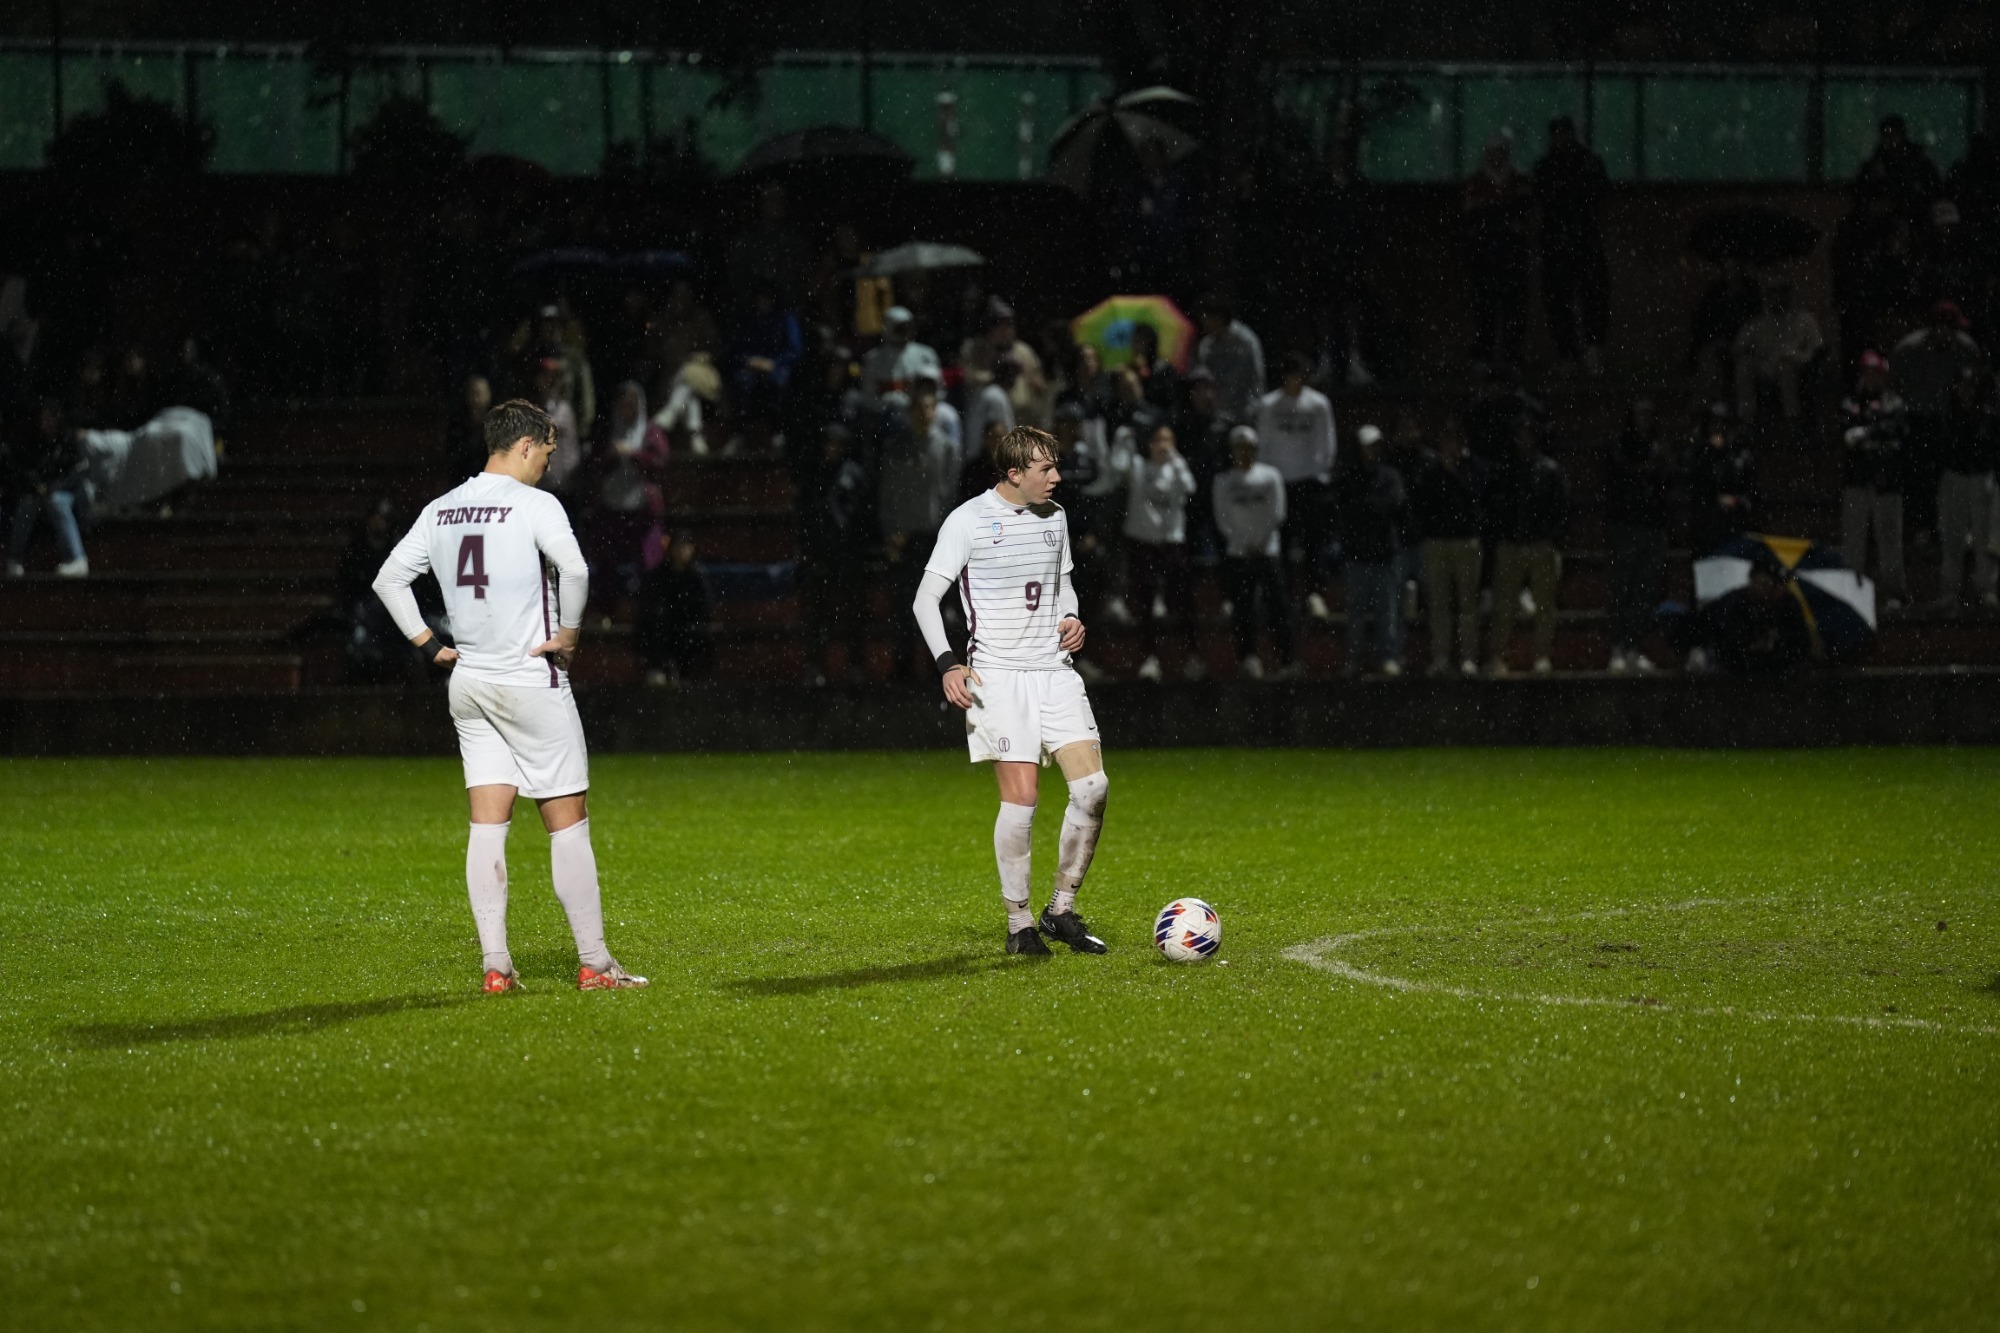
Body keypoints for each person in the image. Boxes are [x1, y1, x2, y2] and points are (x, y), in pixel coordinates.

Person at [370, 399, 646, 993]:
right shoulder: (535, 505)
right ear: (525, 444)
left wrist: (428, 644)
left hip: (469, 681)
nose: (549, 462)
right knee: (567, 821)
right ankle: (595, 965)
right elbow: (574, 571)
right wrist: (568, 635)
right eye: (547, 450)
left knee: (487, 826)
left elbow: (388, 579)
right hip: (528, 679)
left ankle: (496, 966)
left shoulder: (441, 508)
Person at [912, 425, 1109, 958]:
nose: (1057, 477)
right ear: (1014, 473)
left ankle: (1060, 910)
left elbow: (1061, 580)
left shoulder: (1057, 517)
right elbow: (925, 600)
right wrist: (949, 663)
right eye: (1046, 469)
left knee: (1093, 790)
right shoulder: (968, 521)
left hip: (1054, 670)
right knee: (1021, 802)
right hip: (996, 677)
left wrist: (1071, 614)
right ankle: (1019, 923)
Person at [877, 390, 958, 676]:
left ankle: (940, 672)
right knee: (906, 606)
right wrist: (892, 533)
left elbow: (950, 496)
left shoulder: (947, 448)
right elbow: (889, 494)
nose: (924, 413)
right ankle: (904, 670)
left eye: (928, 406)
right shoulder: (896, 448)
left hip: (935, 539)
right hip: (906, 538)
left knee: (938, 608)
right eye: (918, 407)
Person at [1254, 351, 1339, 621]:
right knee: (1284, 542)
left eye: (1299, 375)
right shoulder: (1268, 405)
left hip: (1310, 481)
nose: (1295, 381)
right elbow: (1262, 444)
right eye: (1290, 376)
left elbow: (1328, 441)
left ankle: (1314, 594)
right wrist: (1267, 478)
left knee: (1314, 541)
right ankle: (1286, 595)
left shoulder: (1318, 404)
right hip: (1280, 483)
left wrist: (1320, 473)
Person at [1114, 422, 1199, 682]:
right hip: (1143, 542)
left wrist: (1175, 460)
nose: (1163, 445)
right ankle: (1149, 658)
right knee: (1146, 602)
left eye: (1168, 439)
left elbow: (1190, 487)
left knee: (1183, 599)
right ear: (1150, 443)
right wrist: (1121, 440)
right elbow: (1118, 468)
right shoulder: (1139, 465)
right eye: (1159, 439)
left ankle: (1191, 656)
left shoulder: (1177, 467)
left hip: (1171, 541)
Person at [1484, 415, 1569, 674]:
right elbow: (1494, 507)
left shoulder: (1550, 470)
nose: (1524, 440)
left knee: (1545, 607)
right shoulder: (1504, 470)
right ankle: (1497, 656)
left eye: (1529, 434)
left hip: (1541, 546)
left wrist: (1551, 538)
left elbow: (1562, 509)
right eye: (1520, 434)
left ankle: (1542, 656)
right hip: (1511, 545)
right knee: (1504, 606)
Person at [1212, 425, 1294, 679]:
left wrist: (1260, 541)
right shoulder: (1223, 481)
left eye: (1248, 448)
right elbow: (1222, 518)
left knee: (1278, 606)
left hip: (1267, 551)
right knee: (1243, 608)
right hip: (1239, 553)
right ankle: (1249, 657)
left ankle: (1286, 658)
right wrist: (1244, 542)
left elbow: (1277, 513)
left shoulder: (1271, 476)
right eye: (1238, 448)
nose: (1243, 453)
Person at [1409, 416, 1486, 676]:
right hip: (1437, 543)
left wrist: (1455, 473)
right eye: (1446, 442)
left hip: (1466, 542)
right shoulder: (1429, 471)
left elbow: (1477, 500)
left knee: (1467, 604)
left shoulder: (1474, 468)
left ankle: (1468, 658)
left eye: (1455, 442)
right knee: (1438, 605)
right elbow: (1421, 504)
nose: (1450, 448)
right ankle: (1440, 656)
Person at [1533, 116, 1610, 375]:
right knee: (1563, 300)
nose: (1560, 139)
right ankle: (1574, 353)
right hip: (1565, 241)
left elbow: (1597, 196)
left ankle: (1587, 351)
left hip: (1577, 240)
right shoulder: (1558, 166)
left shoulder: (1578, 164)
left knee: (1586, 298)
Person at [797, 423, 871, 685]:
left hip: (847, 555)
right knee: (817, 616)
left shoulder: (854, 474)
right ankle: (816, 667)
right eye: (829, 443)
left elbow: (862, 515)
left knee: (852, 615)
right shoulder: (814, 474)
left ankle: (855, 666)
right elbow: (805, 515)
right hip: (820, 555)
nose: (832, 450)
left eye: (838, 445)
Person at [1336, 424, 1410, 676]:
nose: (1371, 451)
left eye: (1375, 446)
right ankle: (1354, 659)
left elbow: (1395, 504)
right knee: (1355, 612)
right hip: (1356, 554)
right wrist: (1371, 508)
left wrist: (1366, 508)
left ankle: (1388, 656)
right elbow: (1347, 510)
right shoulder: (1349, 477)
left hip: (1384, 554)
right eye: (1367, 446)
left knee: (1387, 611)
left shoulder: (1390, 476)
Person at [1605, 399, 1671, 671]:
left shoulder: (1661, 447)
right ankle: (1618, 647)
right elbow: (1616, 481)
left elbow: (1667, 479)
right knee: (1622, 589)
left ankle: (1634, 646)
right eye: (1639, 414)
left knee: (1645, 592)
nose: (1644, 419)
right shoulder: (1619, 446)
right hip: (1626, 526)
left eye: (1648, 414)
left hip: (1653, 526)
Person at [1838, 353, 1907, 610]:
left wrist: (1867, 432)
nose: (1870, 378)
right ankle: (1851, 595)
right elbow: (1845, 430)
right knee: (1853, 542)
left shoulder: (1894, 403)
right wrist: (1875, 434)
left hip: (1886, 483)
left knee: (1889, 541)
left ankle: (1894, 594)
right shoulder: (1850, 402)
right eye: (1866, 372)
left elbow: (1896, 431)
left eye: (1875, 373)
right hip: (1857, 482)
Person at [1462, 134, 1534, 371]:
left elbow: (1525, 217)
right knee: (1486, 307)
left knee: (1513, 307)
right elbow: (1472, 218)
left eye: (1501, 151)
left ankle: (1511, 355)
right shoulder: (1477, 183)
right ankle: (1484, 354)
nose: (1497, 156)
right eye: (1493, 151)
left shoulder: (1518, 182)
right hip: (1485, 256)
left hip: (1512, 256)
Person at [4, 396, 91, 578]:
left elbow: (76, 475)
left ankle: (77, 557)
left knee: (57, 502)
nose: (46, 423)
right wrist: (39, 487)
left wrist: (53, 488)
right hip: (41, 494)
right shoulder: (36, 442)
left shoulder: (69, 441)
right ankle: (15, 559)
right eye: (43, 419)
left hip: (69, 494)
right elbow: (28, 470)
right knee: (27, 504)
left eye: (50, 418)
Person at [1933, 368, 1996, 609]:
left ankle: (1987, 590)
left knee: (1983, 538)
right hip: (1954, 479)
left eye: (1971, 386)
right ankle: (1950, 591)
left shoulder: (1988, 417)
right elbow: (1940, 452)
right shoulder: (1947, 416)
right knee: (1952, 536)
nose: (1966, 392)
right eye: (1962, 386)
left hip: (1980, 479)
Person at [1733, 278, 1824, 430]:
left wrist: (1797, 356)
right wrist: (1748, 354)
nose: (1777, 298)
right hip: (1766, 366)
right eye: (1772, 294)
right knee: (1744, 367)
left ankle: (1792, 418)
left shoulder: (1805, 320)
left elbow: (1818, 348)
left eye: (1781, 293)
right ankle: (1747, 419)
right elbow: (1738, 347)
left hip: (1797, 365)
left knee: (1786, 368)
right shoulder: (1758, 323)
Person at [636, 534, 711, 686]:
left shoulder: (696, 576)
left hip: (688, 625)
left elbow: (702, 606)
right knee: (654, 629)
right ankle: (661, 668)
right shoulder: (660, 574)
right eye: (678, 546)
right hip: (665, 625)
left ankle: (686, 674)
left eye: (686, 546)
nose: (682, 551)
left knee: (693, 634)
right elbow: (652, 602)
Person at [1195, 295, 1266, 422]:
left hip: (1245, 412)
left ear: (1218, 318)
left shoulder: (1245, 341)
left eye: (1206, 320)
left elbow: (1257, 376)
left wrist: (1255, 408)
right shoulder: (1206, 345)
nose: (1204, 324)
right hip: (1217, 414)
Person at [858, 306, 941, 409]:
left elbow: (937, 391)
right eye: (900, 328)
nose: (905, 332)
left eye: (908, 327)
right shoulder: (873, 359)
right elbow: (868, 395)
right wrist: (883, 404)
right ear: (888, 328)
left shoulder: (926, 355)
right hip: (883, 415)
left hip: (919, 414)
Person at [964, 353, 1019, 466]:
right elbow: (1000, 433)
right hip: (988, 463)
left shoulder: (990, 392)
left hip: (981, 460)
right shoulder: (996, 396)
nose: (1015, 378)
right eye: (1012, 374)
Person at [444, 374, 493, 481]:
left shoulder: (496, 425)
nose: (477, 398)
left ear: (489, 395)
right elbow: (453, 458)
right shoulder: (457, 426)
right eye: (474, 393)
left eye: (481, 393)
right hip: (462, 480)